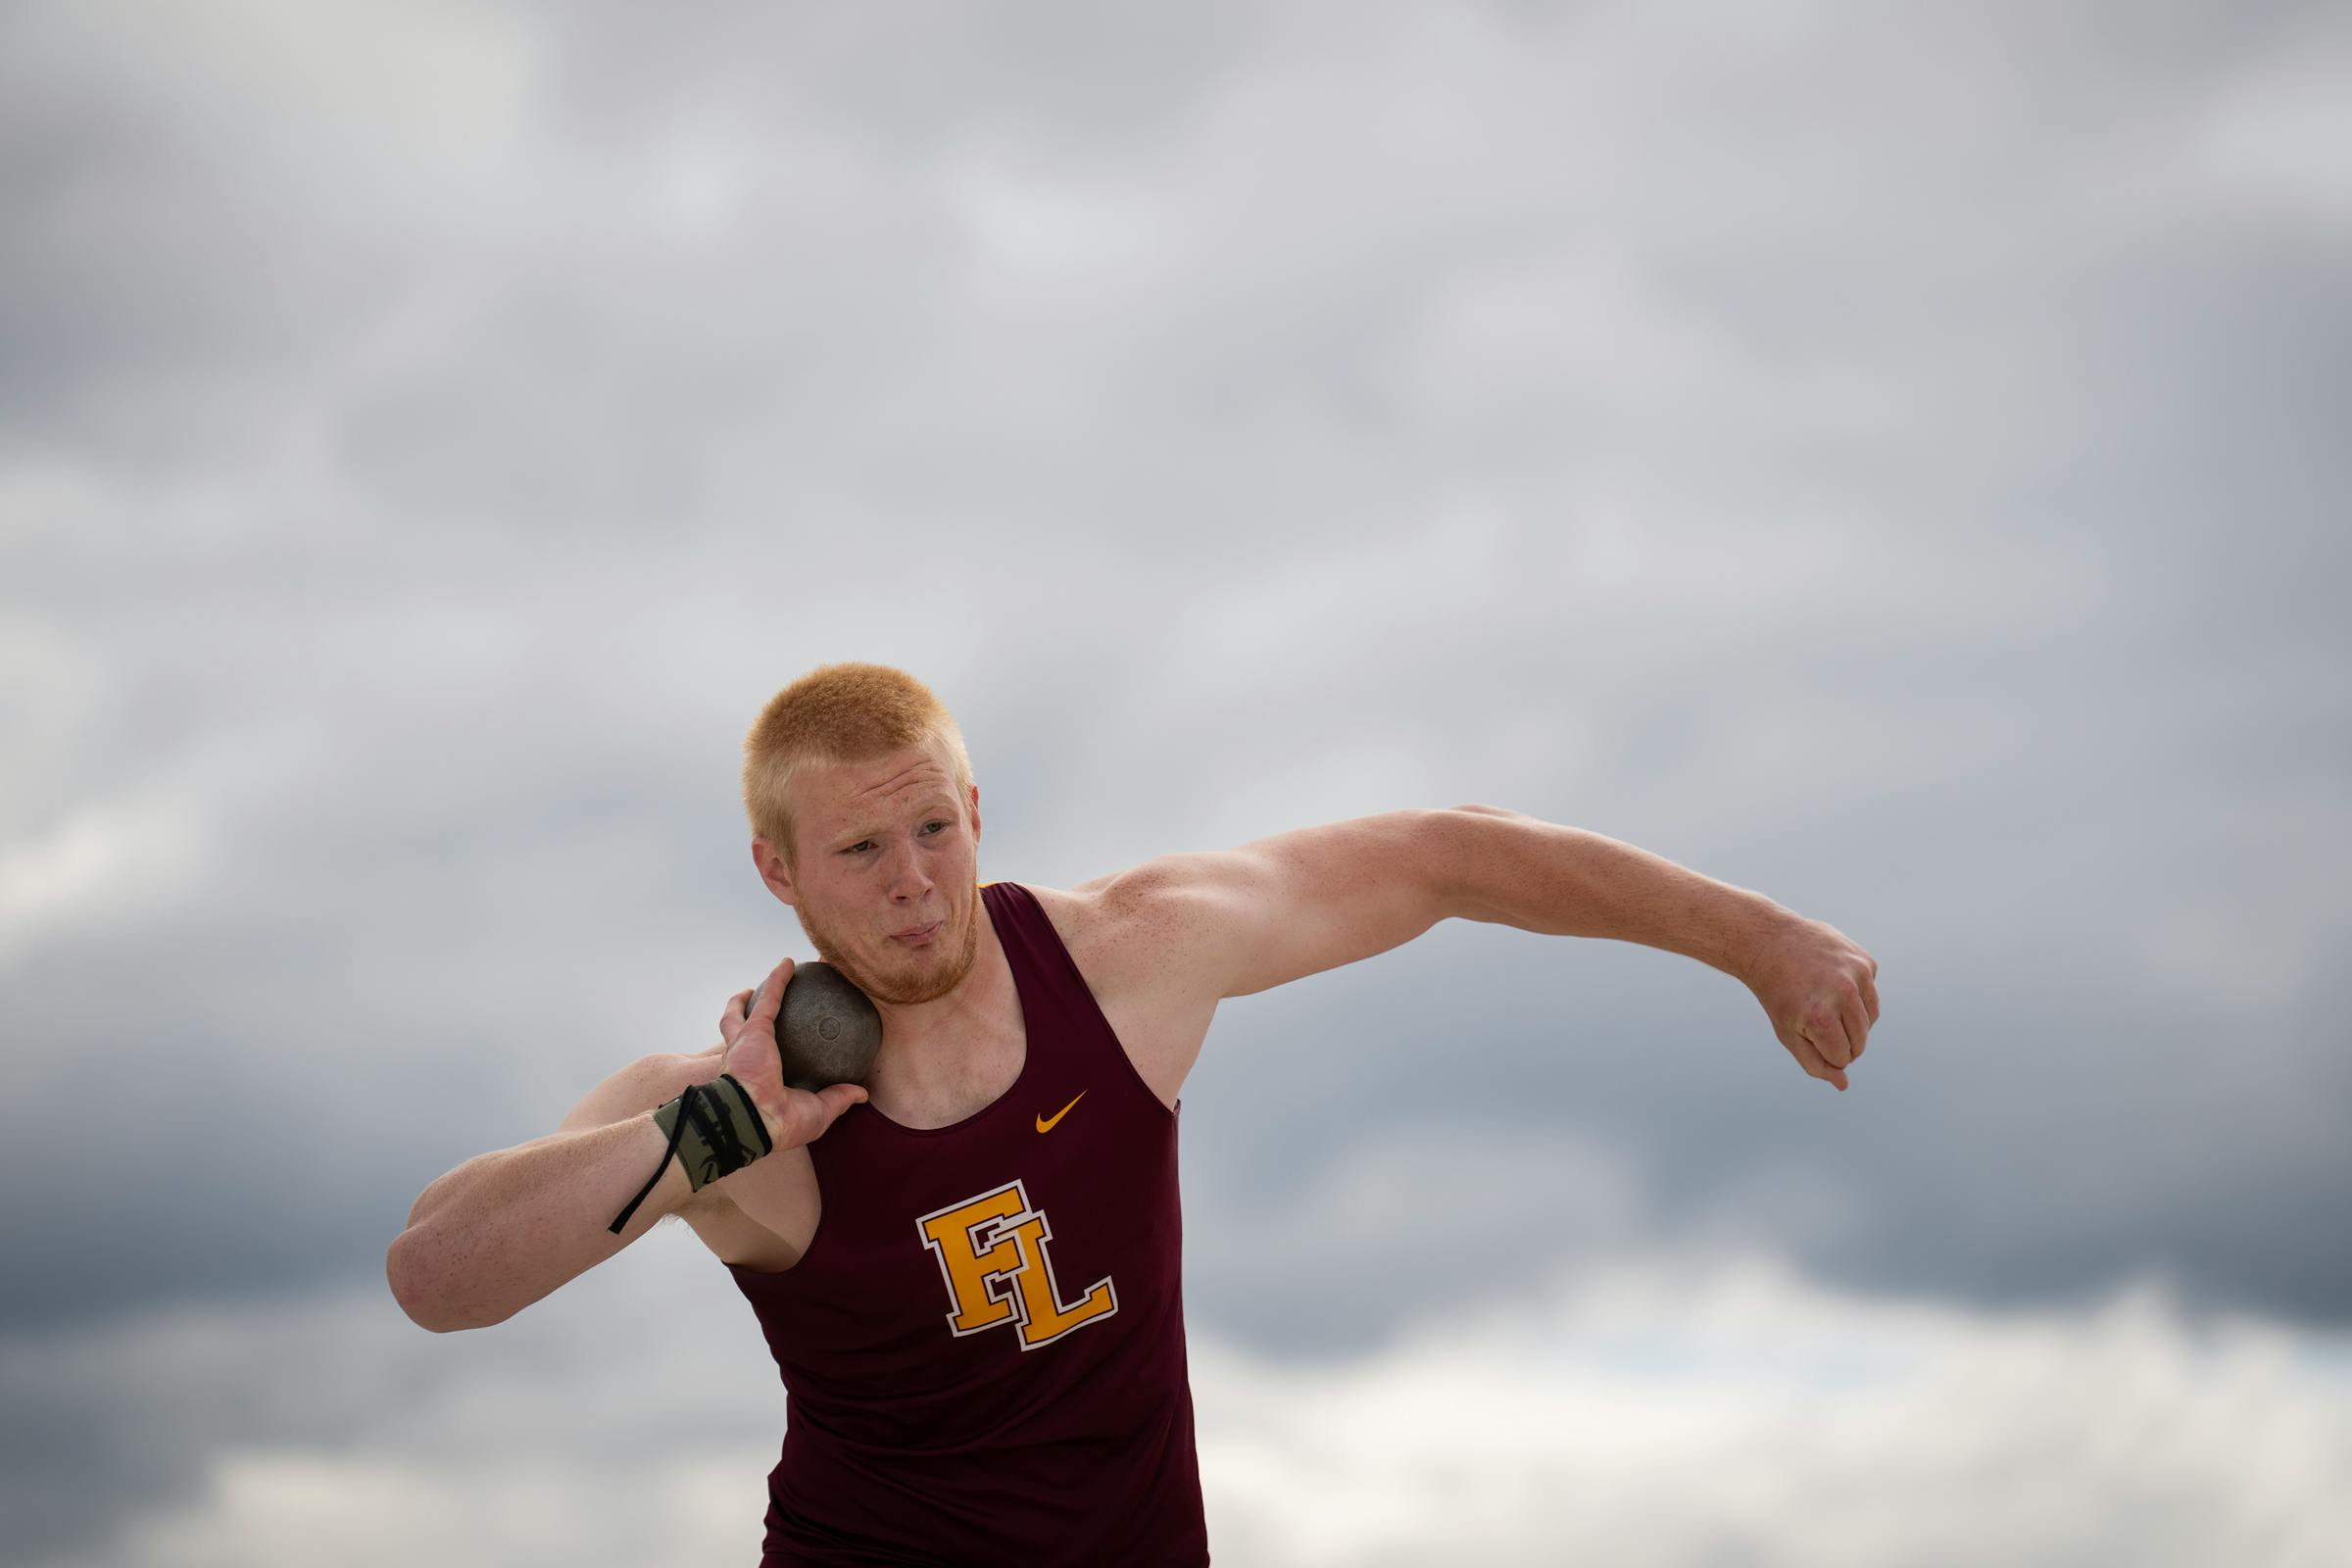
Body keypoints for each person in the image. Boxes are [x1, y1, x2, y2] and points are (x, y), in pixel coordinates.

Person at [386, 661, 1882, 1566]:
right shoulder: (725, 1119)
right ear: (778, 872)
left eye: (932, 827)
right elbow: (436, 1275)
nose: (914, 882)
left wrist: (1758, 940)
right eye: (858, 850)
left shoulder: (1129, 962)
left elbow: (1444, 854)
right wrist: (708, 1135)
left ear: (979, 809)